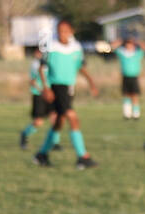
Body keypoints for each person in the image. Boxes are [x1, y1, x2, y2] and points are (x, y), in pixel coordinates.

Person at [34, 19, 98, 170]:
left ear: (71, 31)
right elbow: (42, 69)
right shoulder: (51, 47)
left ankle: (42, 154)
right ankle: (83, 157)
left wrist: (91, 83)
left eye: (65, 31)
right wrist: (46, 88)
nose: (62, 33)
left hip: (69, 88)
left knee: (59, 123)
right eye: (60, 30)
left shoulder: (76, 48)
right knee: (73, 118)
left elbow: (80, 67)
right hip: (57, 87)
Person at [18, 48, 50, 149]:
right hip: (39, 95)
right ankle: (24, 134)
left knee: (55, 117)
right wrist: (41, 91)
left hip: (49, 95)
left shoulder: (47, 63)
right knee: (38, 121)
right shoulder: (35, 65)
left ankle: (55, 143)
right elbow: (32, 81)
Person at [114, 34, 145, 119]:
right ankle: (127, 113)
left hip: (134, 77)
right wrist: (121, 41)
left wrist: (136, 41)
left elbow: (144, 47)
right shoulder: (123, 53)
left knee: (135, 95)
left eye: (131, 43)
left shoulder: (137, 53)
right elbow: (113, 46)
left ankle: (136, 113)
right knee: (126, 94)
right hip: (125, 76)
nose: (129, 45)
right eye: (128, 43)